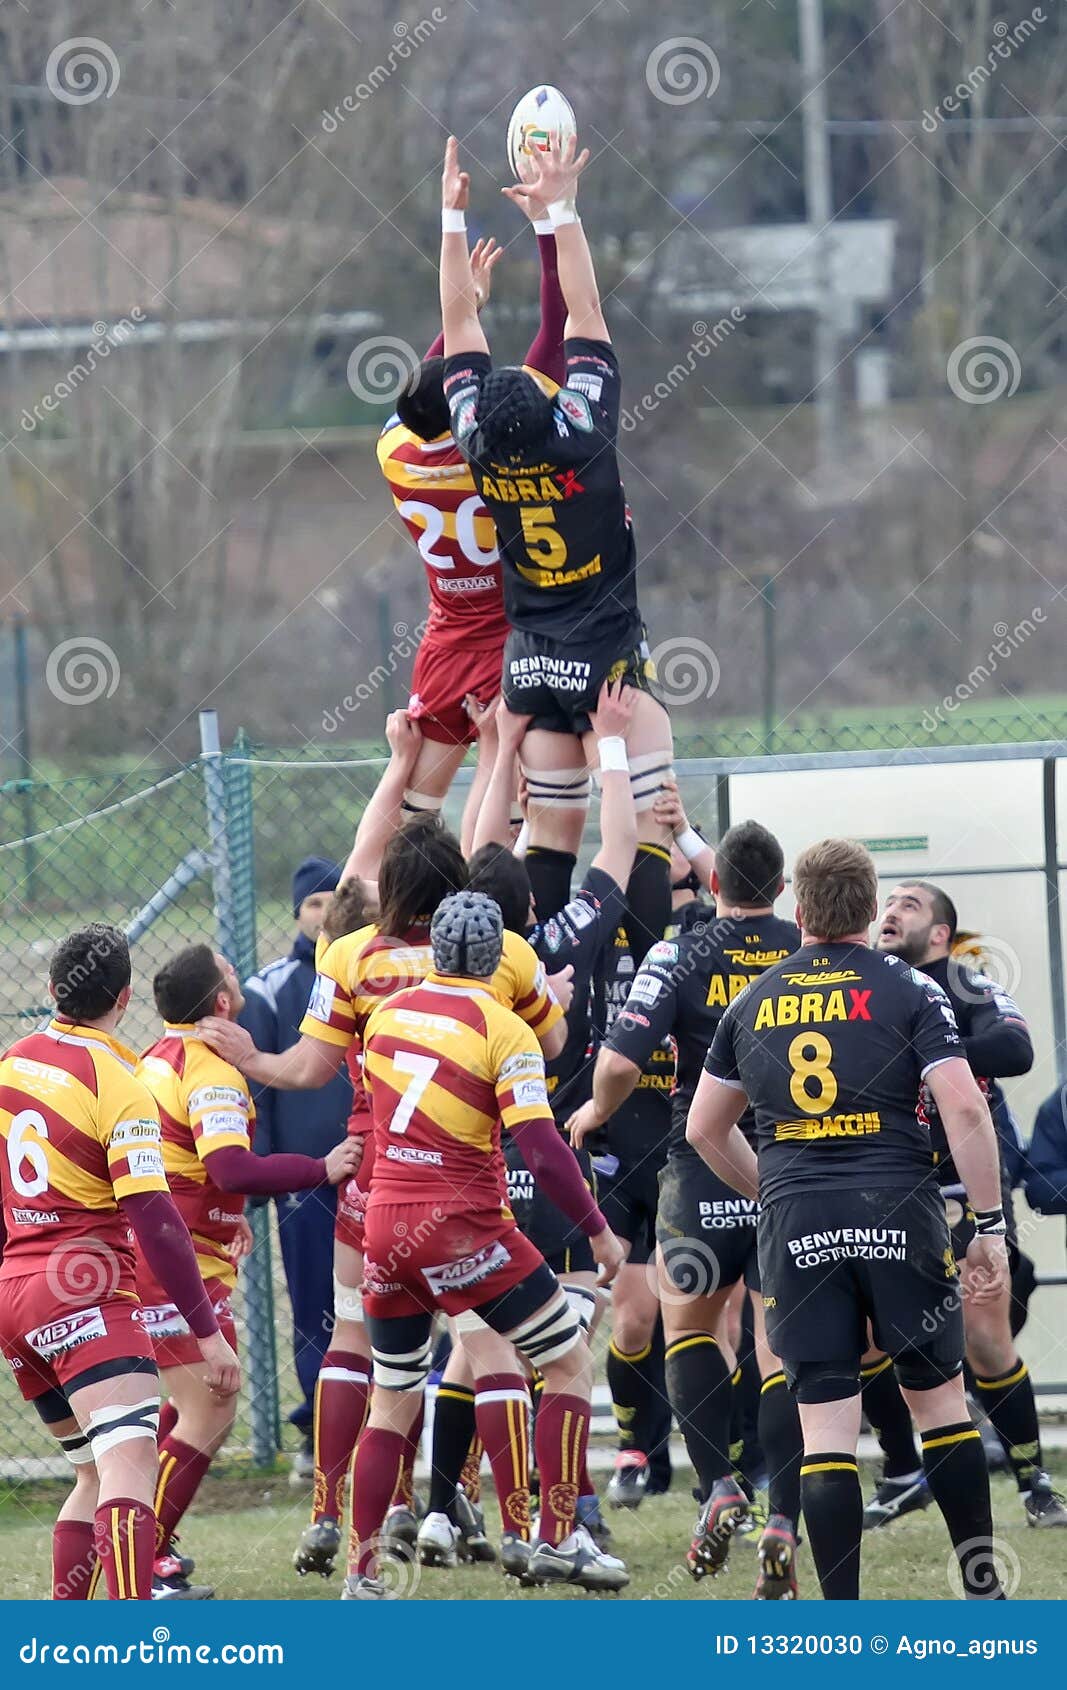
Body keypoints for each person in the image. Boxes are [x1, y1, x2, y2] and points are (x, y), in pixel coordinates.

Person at [197, 814, 568, 1579]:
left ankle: (334, 1518)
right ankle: (519, 1527)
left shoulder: (349, 956)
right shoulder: (498, 955)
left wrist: (252, 1060)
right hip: (464, 1182)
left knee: (356, 1347)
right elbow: (555, 1042)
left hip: (374, 1174)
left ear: (391, 890)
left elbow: (306, 1069)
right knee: (486, 1345)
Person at [687, 838, 1010, 1602]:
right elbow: (964, 1104)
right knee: (937, 1403)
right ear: (869, 912)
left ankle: (841, 1626)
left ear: (799, 912)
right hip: (898, 1211)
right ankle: (984, 1590)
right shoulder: (909, 988)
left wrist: (773, 1191)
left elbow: (704, 1128)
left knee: (825, 1427)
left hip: (798, 1225)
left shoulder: (753, 999)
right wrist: (989, 1224)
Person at [347, 891, 627, 1598]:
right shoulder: (503, 1029)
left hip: (384, 1226)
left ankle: (362, 1574)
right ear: (499, 955)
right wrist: (597, 1229)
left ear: (435, 951)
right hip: (462, 1223)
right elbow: (539, 1143)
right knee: (565, 1360)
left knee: (392, 1397)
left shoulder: (383, 1016)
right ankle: (558, 1537)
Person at [439, 133, 675, 961]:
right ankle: (647, 989)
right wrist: (561, 206)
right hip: (602, 654)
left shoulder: (476, 443)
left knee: (549, 834)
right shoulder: (578, 432)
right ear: (551, 408)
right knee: (643, 825)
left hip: (529, 659)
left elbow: (460, 330)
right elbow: (584, 313)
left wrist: (448, 223)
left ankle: (532, 972)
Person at [569, 817, 805, 1596]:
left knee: (691, 1327)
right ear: (779, 890)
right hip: (783, 1172)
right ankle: (782, 1516)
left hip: (701, 1172)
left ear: (712, 886)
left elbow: (617, 1062)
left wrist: (596, 1113)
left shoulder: (678, 954)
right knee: (776, 1347)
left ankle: (720, 1488)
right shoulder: (806, 948)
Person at [0, 925, 240, 1603]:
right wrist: (207, 1331)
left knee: (92, 1474)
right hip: (87, 1296)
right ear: (126, 998)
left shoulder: (12, 1063)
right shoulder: (120, 1080)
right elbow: (156, 1221)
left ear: (50, 990)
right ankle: (134, 1644)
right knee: (130, 1466)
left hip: (17, 1296)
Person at [136, 944, 359, 1597]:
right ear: (223, 1005)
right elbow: (230, 1167)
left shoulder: (156, 1057)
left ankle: (142, 1544)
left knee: (190, 1408)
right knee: (211, 1409)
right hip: (174, 1266)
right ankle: (139, 1557)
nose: (239, 975)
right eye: (231, 973)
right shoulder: (209, 1072)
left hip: (159, 1256)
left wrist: (224, 1222)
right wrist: (320, 1167)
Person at [857, 883, 1067, 1529]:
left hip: (961, 1187)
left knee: (982, 1338)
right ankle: (900, 1470)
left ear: (941, 933)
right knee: (864, 1343)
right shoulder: (863, 983)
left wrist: (931, 1057)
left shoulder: (963, 983)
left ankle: (1035, 1483)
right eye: (886, 903)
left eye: (910, 906)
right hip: (883, 1187)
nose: (891, 912)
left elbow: (1015, 1048)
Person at [377, 183, 566, 854]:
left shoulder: (392, 450)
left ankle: (397, 916)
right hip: (512, 642)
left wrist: (467, 306)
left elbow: (425, 388)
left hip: (444, 645)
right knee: (520, 813)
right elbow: (556, 334)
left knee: (415, 815)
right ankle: (507, 921)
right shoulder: (494, 455)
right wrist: (552, 228)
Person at [240, 856, 352, 1481]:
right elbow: (260, 1096)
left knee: (382, 1305)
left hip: (371, 1173)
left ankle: (385, 1423)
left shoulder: (368, 976)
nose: (324, 913)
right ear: (297, 912)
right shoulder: (269, 988)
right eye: (313, 903)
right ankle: (317, 1432)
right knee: (314, 1308)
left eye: (334, 900)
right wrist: (278, 1178)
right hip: (306, 1183)